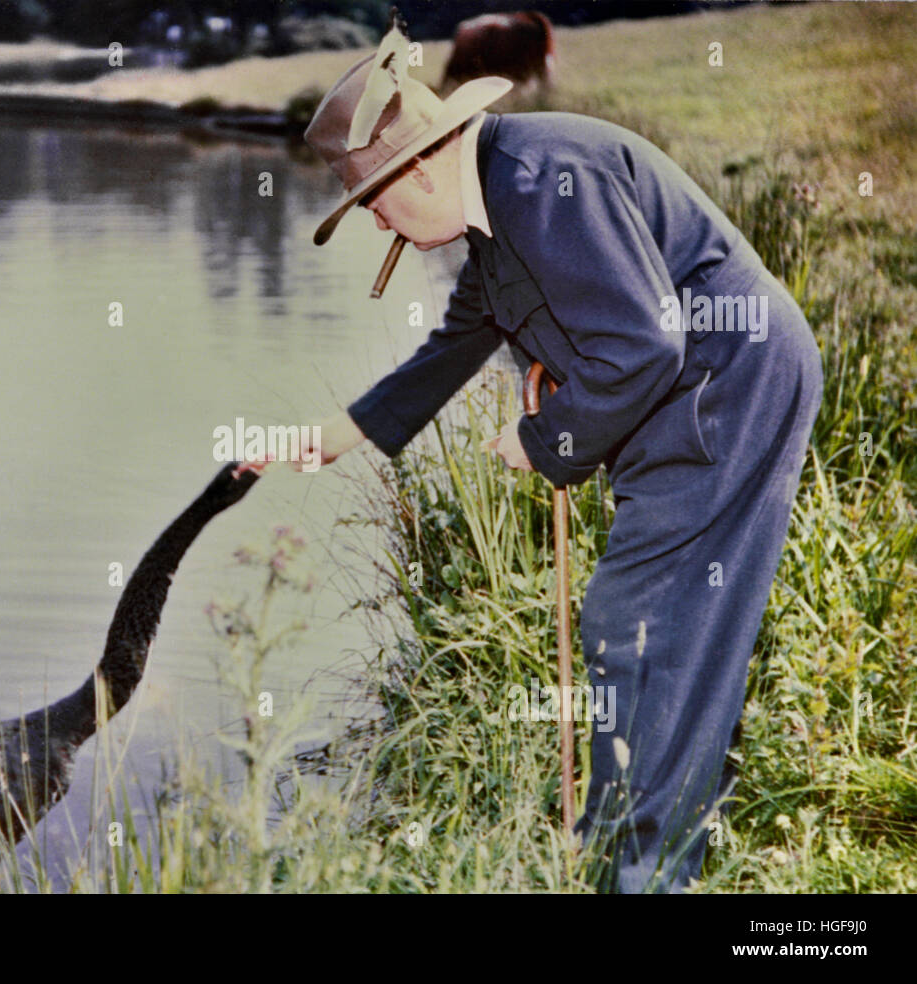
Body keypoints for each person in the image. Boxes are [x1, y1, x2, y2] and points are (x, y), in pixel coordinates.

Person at [270, 20, 823, 892]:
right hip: (688, 405)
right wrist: (336, 439)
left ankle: (637, 872)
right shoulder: (495, 202)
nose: (376, 219)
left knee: (642, 630)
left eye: (371, 199)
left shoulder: (539, 182)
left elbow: (645, 349)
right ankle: (646, 845)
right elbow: (459, 339)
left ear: (413, 169)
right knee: (658, 629)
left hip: (728, 391)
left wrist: (541, 441)